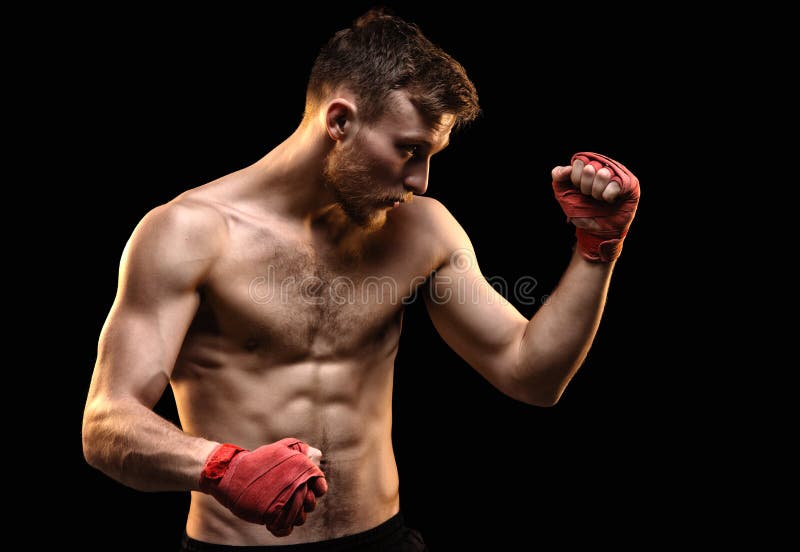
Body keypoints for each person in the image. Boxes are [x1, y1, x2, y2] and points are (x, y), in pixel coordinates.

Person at [82, 8, 640, 551]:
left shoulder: (420, 230)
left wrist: (596, 248)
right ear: (340, 121)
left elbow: (532, 377)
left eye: (431, 155)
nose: (421, 181)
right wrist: (221, 467)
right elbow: (107, 423)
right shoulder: (189, 233)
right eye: (410, 150)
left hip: (384, 539)